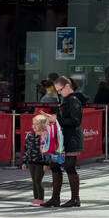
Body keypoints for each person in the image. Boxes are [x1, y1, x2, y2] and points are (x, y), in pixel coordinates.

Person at [43, 75, 85, 208]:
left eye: (60, 90)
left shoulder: (73, 100)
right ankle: (55, 198)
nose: (59, 93)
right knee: (55, 166)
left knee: (69, 167)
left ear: (67, 86)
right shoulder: (68, 99)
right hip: (63, 139)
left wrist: (56, 120)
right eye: (57, 91)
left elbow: (75, 121)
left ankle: (75, 199)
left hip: (71, 139)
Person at [22, 111, 55, 205]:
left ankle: (41, 198)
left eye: (37, 124)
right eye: (33, 124)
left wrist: (46, 163)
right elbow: (26, 149)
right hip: (31, 161)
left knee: (38, 180)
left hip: (40, 162)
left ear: (43, 125)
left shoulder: (44, 137)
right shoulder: (30, 136)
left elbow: (47, 151)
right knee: (33, 180)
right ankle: (36, 197)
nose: (34, 126)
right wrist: (24, 161)